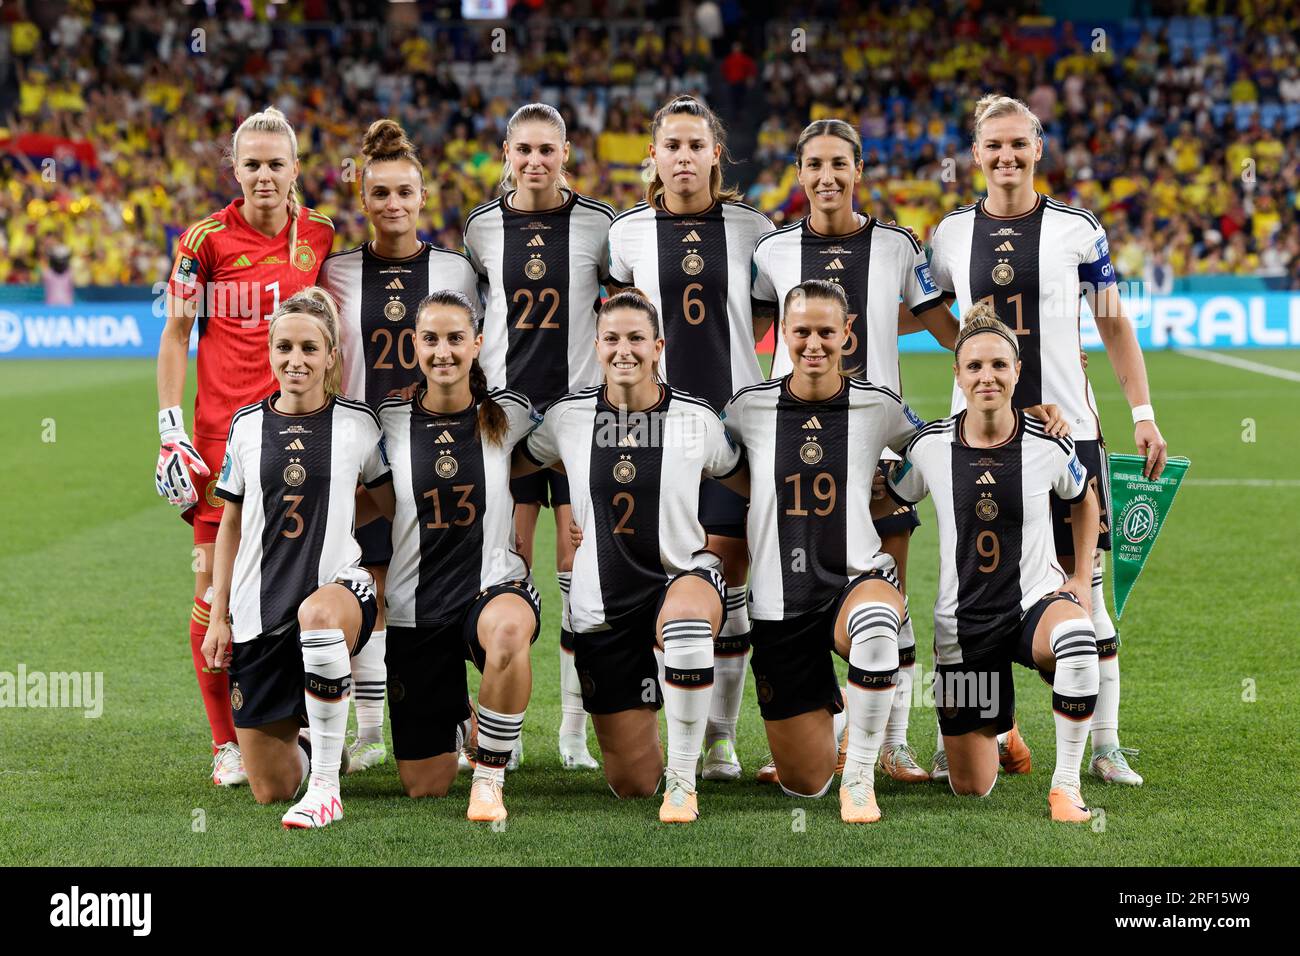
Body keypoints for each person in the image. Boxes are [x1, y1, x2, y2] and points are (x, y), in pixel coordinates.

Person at [927, 93, 1168, 786]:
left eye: (1018, 144)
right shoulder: (948, 234)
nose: (1006, 156)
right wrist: (968, 352)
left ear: (1037, 150)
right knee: (966, 586)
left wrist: (1143, 413)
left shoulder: (1076, 228)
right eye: (992, 146)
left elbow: (1115, 324)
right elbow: (922, 307)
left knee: (1085, 586)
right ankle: (966, 731)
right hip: (978, 441)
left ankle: (1106, 744)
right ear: (975, 155)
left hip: (1072, 435)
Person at [751, 119, 957, 785]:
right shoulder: (774, 252)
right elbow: (747, 328)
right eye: (814, 164)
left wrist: (1022, 364)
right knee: (792, 589)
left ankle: (890, 743)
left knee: (886, 598)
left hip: (879, 451)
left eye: (840, 163)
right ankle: (819, 734)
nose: (827, 176)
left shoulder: (899, 246)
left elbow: (947, 327)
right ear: (800, 172)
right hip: (795, 456)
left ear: (859, 169)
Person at [513, 290, 745, 823]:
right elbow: (505, 465)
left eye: (637, 338)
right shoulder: (567, 419)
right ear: (596, 346)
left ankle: (685, 779)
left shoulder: (695, 418)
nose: (625, 349)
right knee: (632, 783)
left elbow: (747, 480)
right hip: (604, 605)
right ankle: (662, 759)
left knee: (686, 624)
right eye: (612, 338)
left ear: (658, 346)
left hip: (681, 577)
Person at [156, 106, 335, 788]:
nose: (264, 175)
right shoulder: (202, 240)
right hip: (221, 446)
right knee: (214, 596)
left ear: (296, 169)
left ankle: (311, 728)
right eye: (252, 164)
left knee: (307, 587)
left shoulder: (318, 232)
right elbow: (176, 333)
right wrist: (170, 425)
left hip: (303, 436)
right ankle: (224, 743)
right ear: (235, 170)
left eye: (276, 163)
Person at [606, 95, 773, 782]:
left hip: (736, 431)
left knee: (729, 585)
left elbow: (771, 313)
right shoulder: (627, 235)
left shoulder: (755, 231)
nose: (682, 157)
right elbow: (615, 324)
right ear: (655, 156)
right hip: (655, 435)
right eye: (669, 145)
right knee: (663, 579)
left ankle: (721, 740)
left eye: (694, 145)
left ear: (715, 154)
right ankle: (670, 728)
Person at [882, 305, 1101, 822]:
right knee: (971, 788)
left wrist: (1081, 581)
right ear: (956, 374)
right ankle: (1003, 731)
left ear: (1017, 372)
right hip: (964, 628)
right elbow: (890, 496)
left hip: (1033, 605)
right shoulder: (931, 445)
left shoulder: (1049, 442)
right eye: (975, 366)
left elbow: (1084, 497)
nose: (987, 377)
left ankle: (1066, 787)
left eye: (999, 366)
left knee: (1076, 640)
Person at [723, 280, 928, 822]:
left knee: (880, 624)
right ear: (783, 335)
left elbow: (936, 449)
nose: (814, 343)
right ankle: (842, 714)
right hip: (776, 604)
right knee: (804, 784)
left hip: (854, 579)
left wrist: (896, 493)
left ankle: (860, 776)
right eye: (802, 331)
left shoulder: (878, 405)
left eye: (826, 332)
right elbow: (701, 460)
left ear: (847, 335)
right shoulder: (747, 407)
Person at [318, 118, 482, 774]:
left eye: (404, 192)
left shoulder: (455, 271)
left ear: (423, 197)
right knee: (376, 587)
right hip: (366, 452)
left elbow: (480, 355)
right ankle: (369, 730)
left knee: (450, 588)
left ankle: (469, 721)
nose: (392, 204)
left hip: (441, 451)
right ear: (362, 199)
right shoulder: (334, 273)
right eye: (379, 193)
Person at [201, 288, 394, 829]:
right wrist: (219, 618)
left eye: (310, 349)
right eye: (284, 347)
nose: (296, 360)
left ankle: (327, 788)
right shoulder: (245, 426)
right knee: (272, 788)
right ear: (269, 350)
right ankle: (312, 741)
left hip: (337, 590)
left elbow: (390, 505)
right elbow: (231, 524)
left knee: (321, 616)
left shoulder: (358, 424)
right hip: (258, 613)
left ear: (331, 355)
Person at [463, 103, 615, 771]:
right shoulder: (482, 229)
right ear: (506, 151)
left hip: (578, 419)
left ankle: (574, 735)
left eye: (546, 150)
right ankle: (507, 726)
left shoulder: (598, 225)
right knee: (508, 570)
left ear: (565, 153)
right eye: (523, 149)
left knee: (579, 569)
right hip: (503, 422)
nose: (534, 161)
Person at [370, 291, 541, 822]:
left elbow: (571, 454)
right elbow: (363, 499)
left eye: (454, 339)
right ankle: (461, 715)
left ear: (477, 344)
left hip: (492, 587)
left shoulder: (510, 413)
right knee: (424, 785)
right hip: (414, 606)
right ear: (414, 346)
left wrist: (581, 514)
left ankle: (489, 777)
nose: (443, 351)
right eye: (431, 340)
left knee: (509, 633)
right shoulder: (388, 419)